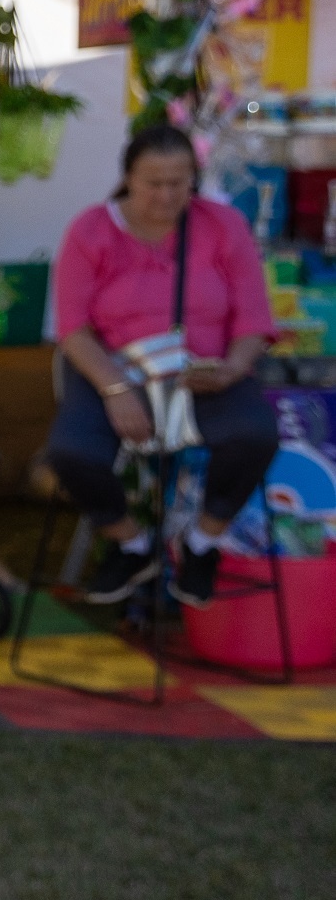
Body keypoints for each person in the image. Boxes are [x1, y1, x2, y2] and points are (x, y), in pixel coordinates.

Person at [48, 123, 276, 607]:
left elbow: (254, 319)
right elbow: (72, 330)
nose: (168, 194)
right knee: (72, 453)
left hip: (202, 370)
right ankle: (131, 544)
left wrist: (232, 369)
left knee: (254, 435)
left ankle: (202, 542)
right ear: (128, 177)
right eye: (155, 182)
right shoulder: (91, 230)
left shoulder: (223, 226)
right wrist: (114, 389)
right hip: (114, 369)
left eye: (180, 182)